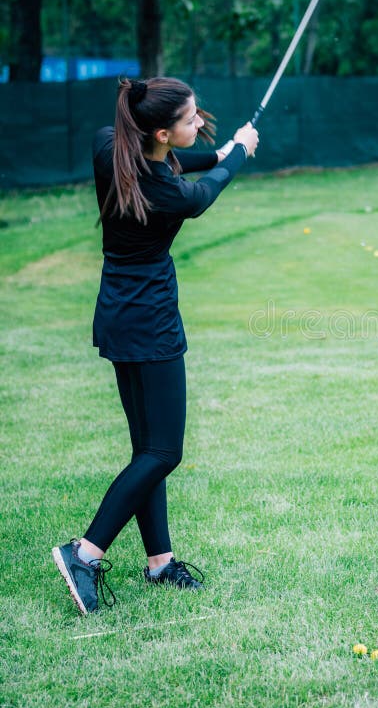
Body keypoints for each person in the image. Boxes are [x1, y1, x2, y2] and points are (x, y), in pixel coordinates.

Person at [53, 76, 259, 615]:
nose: (200, 122)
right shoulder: (165, 190)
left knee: (147, 448)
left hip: (120, 314)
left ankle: (160, 562)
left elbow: (181, 162)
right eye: (192, 119)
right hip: (150, 322)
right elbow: (202, 191)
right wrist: (238, 155)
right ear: (163, 133)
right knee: (165, 451)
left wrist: (227, 146)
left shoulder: (110, 146)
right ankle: (85, 551)